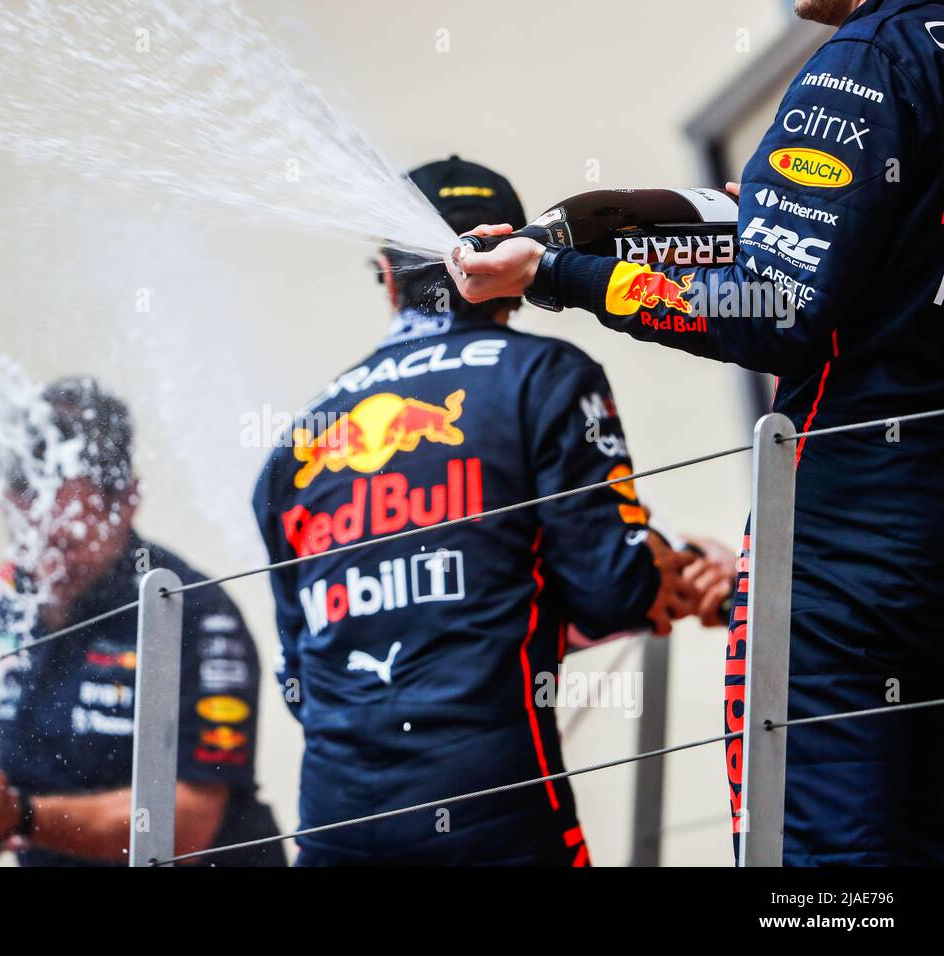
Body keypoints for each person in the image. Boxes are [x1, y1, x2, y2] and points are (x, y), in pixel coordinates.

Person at [446, 0, 944, 865]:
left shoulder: (865, 59)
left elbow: (778, 304)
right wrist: (580, 230)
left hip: (854, 562)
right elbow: (829, 230)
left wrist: (561, 273)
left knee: (823, 876)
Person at [251, 156, 732, 866]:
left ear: (388, 278)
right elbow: (611, 592)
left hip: (334, 827)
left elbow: (304, 680)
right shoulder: (545, 375)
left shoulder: (295, 444)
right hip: (495, 814)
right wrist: (671, 568)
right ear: (512, 257)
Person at [0, 377, 283, 866]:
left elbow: (190, 821)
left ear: (128, 501)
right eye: (34, 527)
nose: (53, 552)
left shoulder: (193, 610)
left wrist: (25, 819)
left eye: (73, 536)